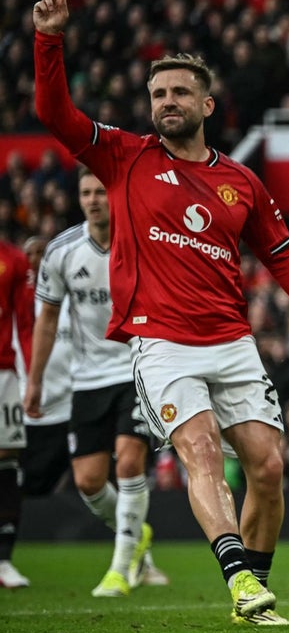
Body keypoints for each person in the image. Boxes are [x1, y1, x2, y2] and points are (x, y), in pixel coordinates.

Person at [33, 0, 289, 625]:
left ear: (207, 105)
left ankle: (254, 594)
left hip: (231, 342)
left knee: (267, 468)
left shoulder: (241, 182)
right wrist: (49, 40)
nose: (166, 101)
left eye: (179, 91)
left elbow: (282, 255)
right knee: (200, 448)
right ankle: (236, 578)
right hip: (163, 343)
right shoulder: (123, 157)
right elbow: (54, 115)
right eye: (157, 93)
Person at [24, 170, 168, 597]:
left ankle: (121, 568)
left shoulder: (142, 240)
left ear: (114, 195)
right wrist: (35, 382)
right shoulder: (62, 251)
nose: (93, 200)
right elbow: (47, 320)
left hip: (137, 369)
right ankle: (135, 534)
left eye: (100, 192)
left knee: (127, 463)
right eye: (86, 193)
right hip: (86, 380)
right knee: (88, 481)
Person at [19, 236, 73, 499]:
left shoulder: (66, 301)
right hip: (22, 411)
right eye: (30, 253)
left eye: (42, 253)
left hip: (66, 409)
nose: (35, 259)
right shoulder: (16, 303)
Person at [0, 235, 32, 589]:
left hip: (3, 371)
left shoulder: (13, 259)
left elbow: (25, 322)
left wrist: (29, 379)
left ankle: (4, 560)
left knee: (6, 457)